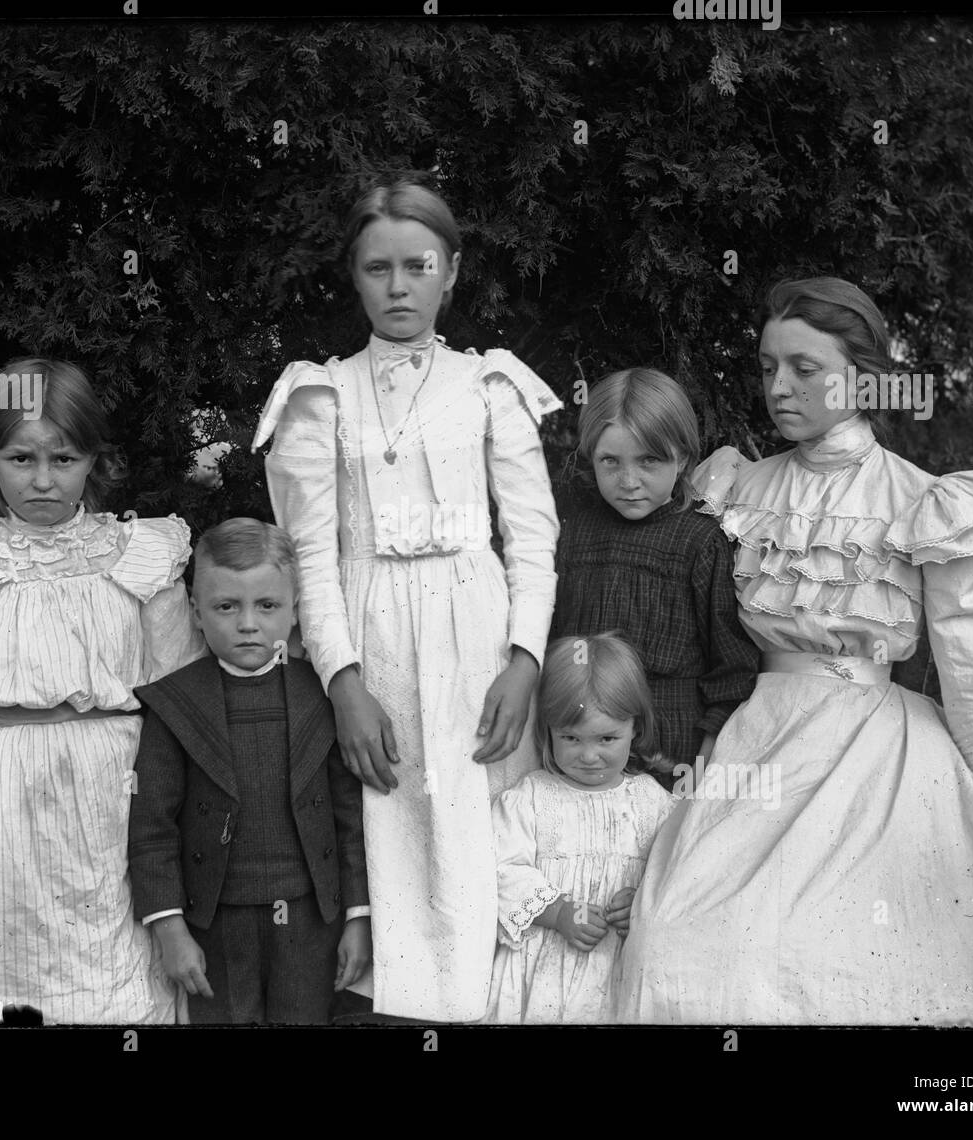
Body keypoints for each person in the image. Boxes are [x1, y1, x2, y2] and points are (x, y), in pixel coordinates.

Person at [616, 277, 973, 1025]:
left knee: (863, 959)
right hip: (756, 745)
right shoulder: (735, 490)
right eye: (766, 367)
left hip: (879, 760)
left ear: (864, 377)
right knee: (675, 940)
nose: (779, 388)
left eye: (804, 369)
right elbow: (698, 641)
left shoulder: (925, 502)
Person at [251, 178, 562, 1022]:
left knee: (482, 817)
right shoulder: (321, 394)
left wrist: (527, 659)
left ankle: (497, 1006)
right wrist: (342, 680)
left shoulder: (490, 385)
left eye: (417, 267)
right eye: (377, 268)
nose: (398, 288)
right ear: (352, 276)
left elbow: (532, 541)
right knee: (387, 825)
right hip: (370, 625)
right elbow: (311, 557)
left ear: (451, 272)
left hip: (476, 631)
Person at [0, 357, 205, 1025]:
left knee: (113, 990)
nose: (44, 480)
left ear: (95, 459)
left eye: (64, 458)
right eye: (21, 458)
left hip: (117, 804)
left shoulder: (141, 557)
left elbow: (181, 699)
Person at [127, 518, 370, 1024]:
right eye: (225, 606)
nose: (247, 624)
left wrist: (358, 918)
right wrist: (170, 931)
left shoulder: (320, 699)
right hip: (215, 919)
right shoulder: (176, 705)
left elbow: (351, 821)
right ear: (196, 612)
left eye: (267, 605)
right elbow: (152, 828)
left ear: (296, 609)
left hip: (308, 918)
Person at [551, 368, 758, 780]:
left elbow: (732, 668)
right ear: (591, 455)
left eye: (649, 460)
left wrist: (706, 754)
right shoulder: (574, 533)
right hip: (580, 736)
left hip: (669, 740)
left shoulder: (699, 542)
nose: (629, 481)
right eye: (610, 461)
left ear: (681, 458)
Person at [486, 634, 675, 1023]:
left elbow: (678, 871)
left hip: (620, 968)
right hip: (544, 970)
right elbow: (501, 869)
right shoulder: (532, 797)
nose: (589, 756)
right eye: (570, 738)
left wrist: (643, 898)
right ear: (548, 730)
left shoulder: (653, 802)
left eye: (607, 738)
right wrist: (556, 912)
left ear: (635, 728)